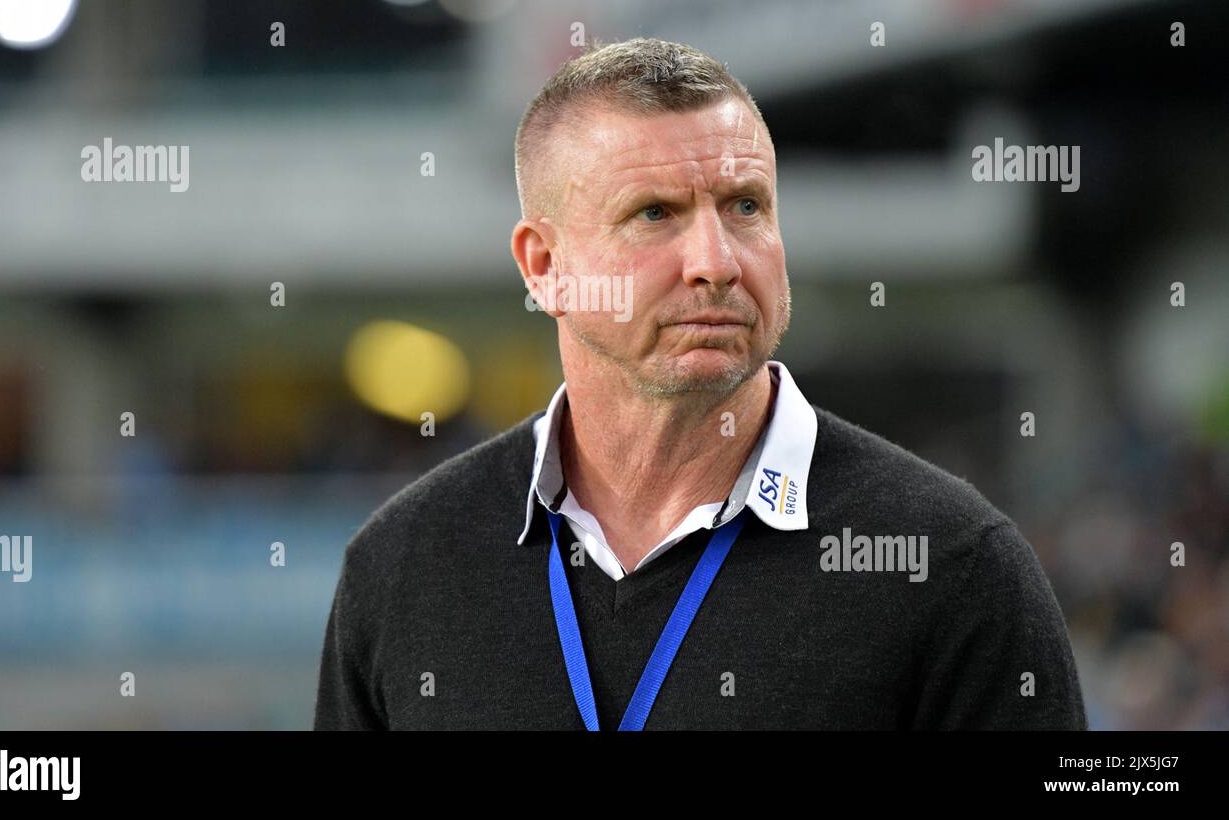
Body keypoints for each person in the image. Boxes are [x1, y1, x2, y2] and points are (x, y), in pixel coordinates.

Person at [313, 37, 1088, 730]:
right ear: (544, 267)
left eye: (745, 206)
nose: (716, 261)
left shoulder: (950, 561)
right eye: (655, 214)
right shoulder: (403, 562)